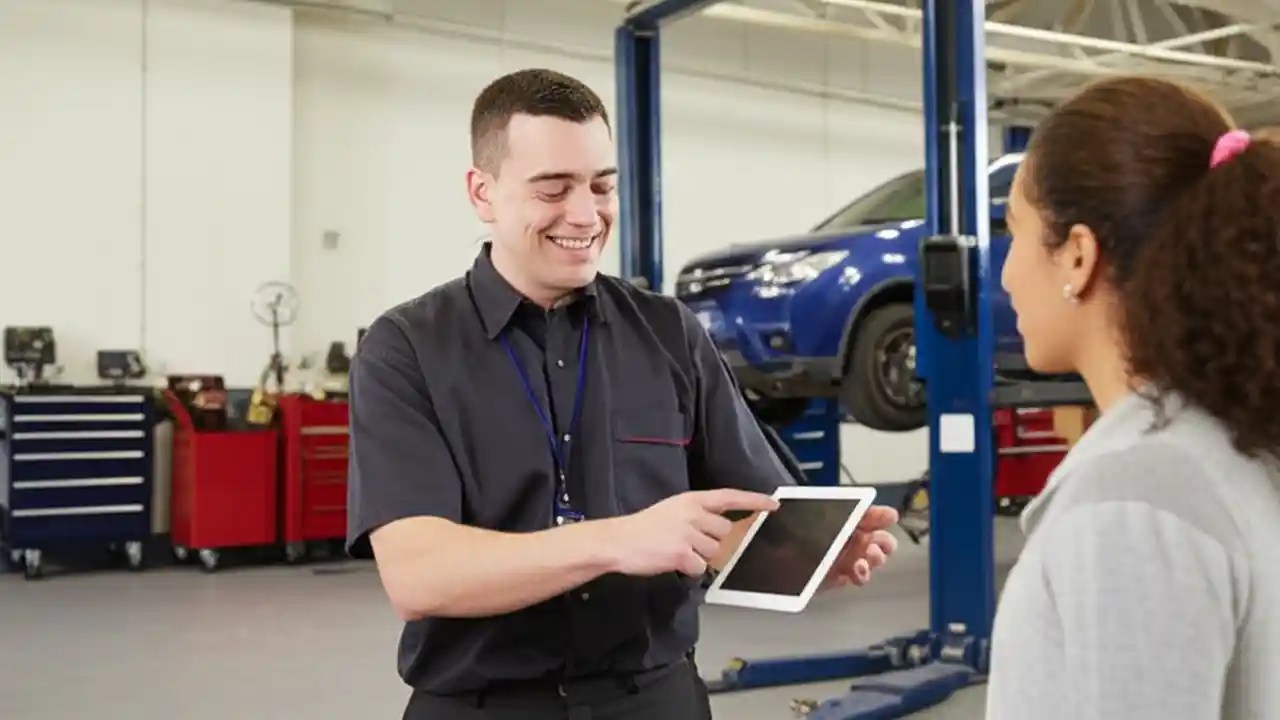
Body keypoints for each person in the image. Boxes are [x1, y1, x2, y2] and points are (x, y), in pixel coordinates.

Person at [345, 68, 900, 720]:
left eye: (601, 186)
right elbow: (419, 575)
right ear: (482, 192)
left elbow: (741, 519)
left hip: (656, 699)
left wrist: (809, 555)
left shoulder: (669, 333)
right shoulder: (407, 348)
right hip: (483, 705)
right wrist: (618, 540)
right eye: (553, 189)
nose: (585, 214)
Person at [987, 75, 1280, 719]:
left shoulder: (1136, 498)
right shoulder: (1227, 444)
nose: (1005, 273)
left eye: (1014, 232)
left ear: (1077, 257)